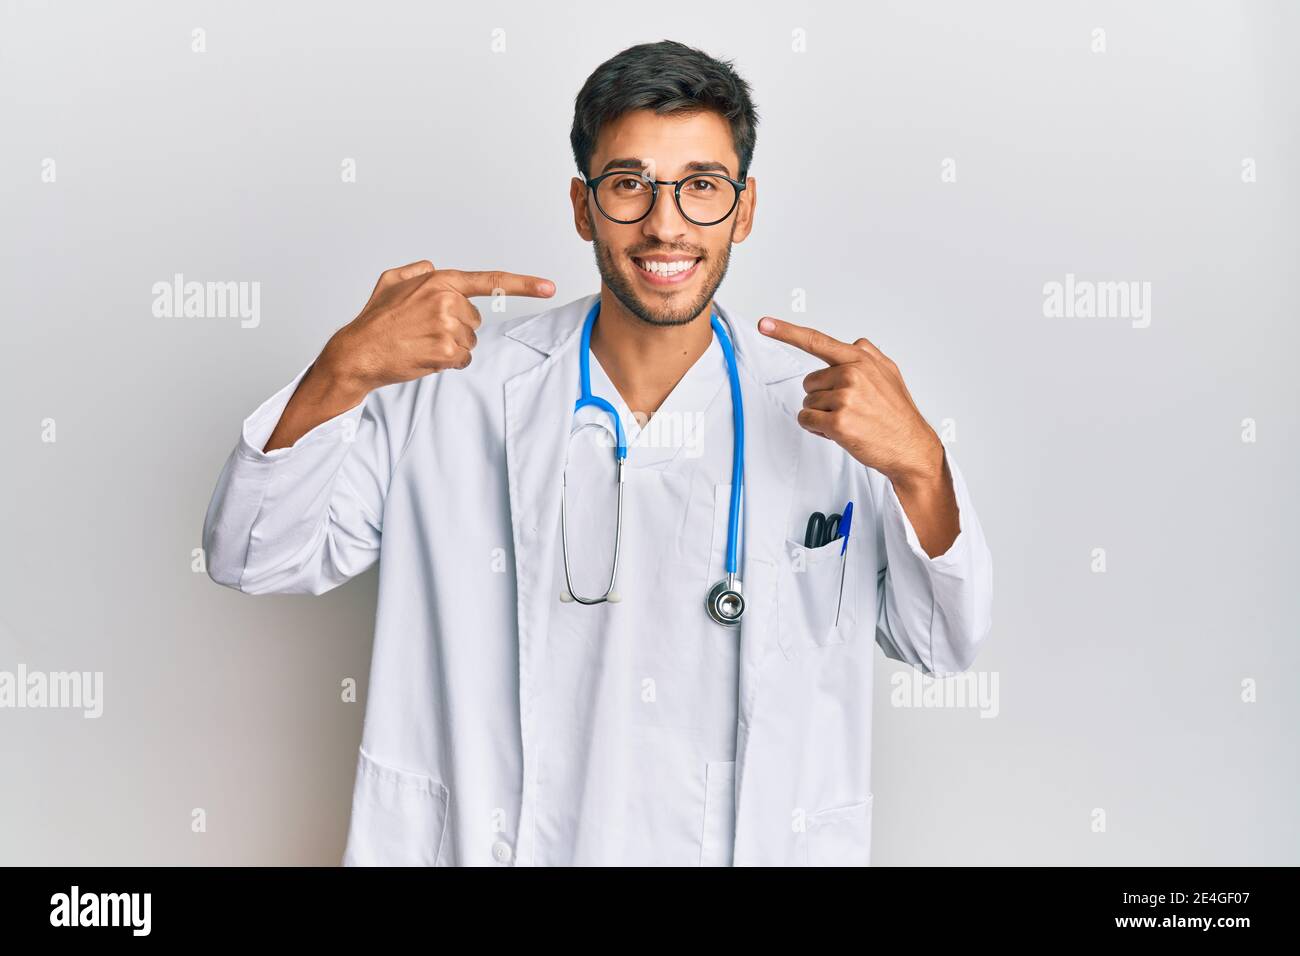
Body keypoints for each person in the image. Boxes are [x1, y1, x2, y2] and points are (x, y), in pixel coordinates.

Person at [202, 39, 992, 866]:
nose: (665, 223)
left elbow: (941, 643)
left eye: (701, 187)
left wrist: (920, 465)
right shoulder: (450, 390)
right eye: (629, 185)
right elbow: (253, 556)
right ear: (583, 207)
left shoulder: (833, 408)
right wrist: (343, 367)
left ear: (744, 208)